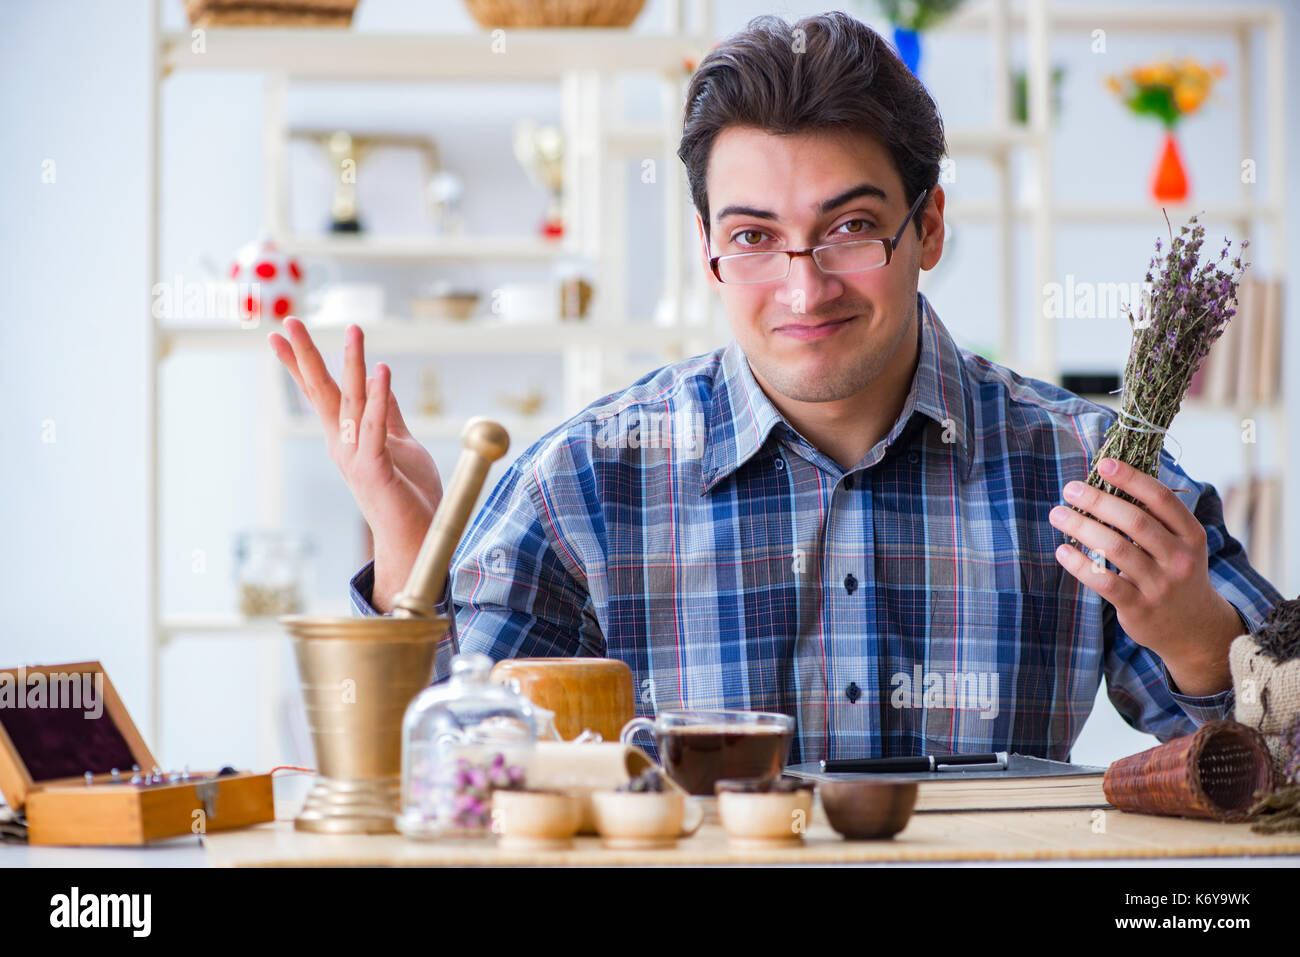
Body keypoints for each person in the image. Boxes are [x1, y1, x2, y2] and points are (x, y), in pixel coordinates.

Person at [268, 11, 1282, 765]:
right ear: (709, 252)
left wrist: (1194, 635)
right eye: (754, 237)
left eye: (849, 228)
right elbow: (459, 776)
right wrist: (415, 555)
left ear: (927, 227)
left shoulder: (1083, 469)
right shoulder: (580, 483)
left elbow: (1275, 773)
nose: (803, 286)